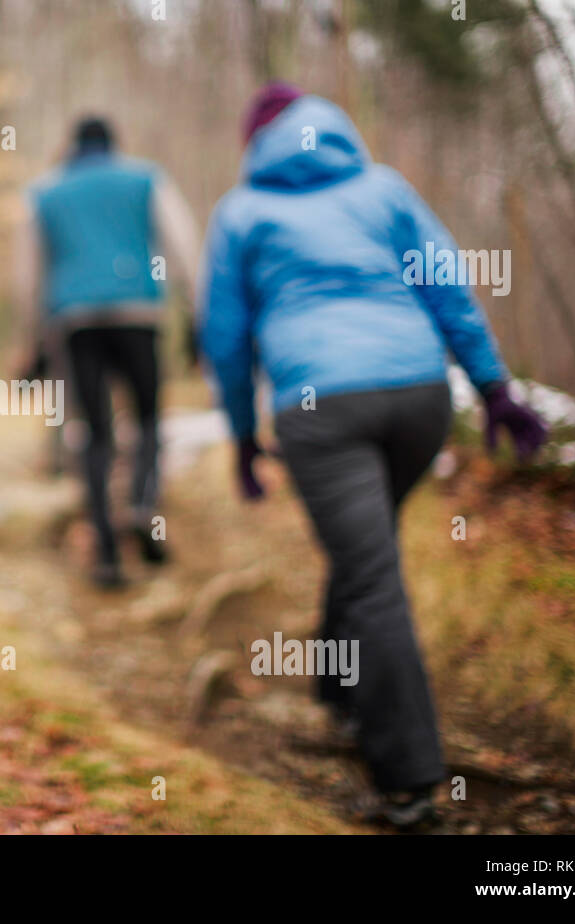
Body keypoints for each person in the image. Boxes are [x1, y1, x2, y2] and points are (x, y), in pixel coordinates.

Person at [198, 83, 546, 828]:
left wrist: (239, 437)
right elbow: (446, 285)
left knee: (370, 572)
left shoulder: (243, 212)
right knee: (366, 550)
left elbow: (224, 339)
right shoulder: (383, 189)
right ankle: (336, 687)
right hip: (419, 397)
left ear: (255, 141)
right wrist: (492, 386)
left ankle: (410, 781)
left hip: (321, 407)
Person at [18, 117, 200, 588]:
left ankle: (105, 554)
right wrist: (196, 310)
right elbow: (182, 245)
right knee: (148, 420)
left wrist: (32, 338)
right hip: (139, 312)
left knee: (94, 433)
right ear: (113, 144)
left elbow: (28, 274)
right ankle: (141, 507)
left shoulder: (45, 192)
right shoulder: (145, 178)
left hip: (75, 320)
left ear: (72, 147)